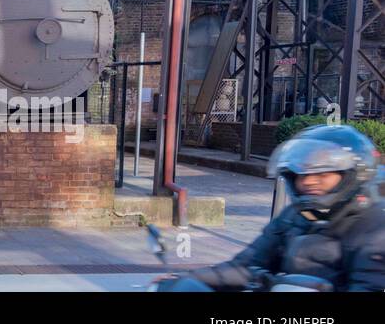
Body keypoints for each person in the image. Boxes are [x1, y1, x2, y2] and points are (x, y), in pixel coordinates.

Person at [157, 123, 385, 291]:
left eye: (322, 174)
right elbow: (246, 266)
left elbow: (370, 287)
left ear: (352, 176)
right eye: (301, 175)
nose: (307, 182)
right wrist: (189, 279)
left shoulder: (375, 228)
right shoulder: (294, 217)